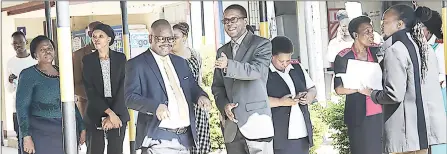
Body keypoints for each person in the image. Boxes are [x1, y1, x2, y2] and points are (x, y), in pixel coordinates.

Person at [360, 4, 447, 154]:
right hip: (424, 130)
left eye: (385, 21)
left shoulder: (395, 50)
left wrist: (371, 93)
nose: (381, 26)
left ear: (399, 24)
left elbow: (394, 94)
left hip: (404, 133)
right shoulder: (425, 48)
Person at [125, 19, 211, 154]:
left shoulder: (181, 62)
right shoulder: (137, 64)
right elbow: (130, 98)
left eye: (170, 39)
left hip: (186, 137)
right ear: (150, 38)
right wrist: (155, 107)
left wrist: (201, 96)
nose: (167, 43)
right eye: (161, 39)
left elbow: (192, 87)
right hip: (158, 138)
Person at [212, 4, 274, 154]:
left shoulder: (261, 44)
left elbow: (256, 71)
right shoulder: (222, 51)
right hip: (232, 126)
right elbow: (217, 86)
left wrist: (229, 65)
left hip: (256, 122)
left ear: (245, 21)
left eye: (233, 19)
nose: (229, 24)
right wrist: (224, 105)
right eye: (225, 21)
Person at [16, 35, 86, 154]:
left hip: (65, 129)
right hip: (40, 131)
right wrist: (26, 136)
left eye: (49, 48)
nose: (47, 52)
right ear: (34, 54)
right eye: (42, 49)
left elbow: (70, 103)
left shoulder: (63, 73)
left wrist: (81, 126)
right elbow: (21, 107)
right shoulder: (28, 75)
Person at [333, 16, 383, 154]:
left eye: (372, 31)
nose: (371, 35)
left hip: (381, 110)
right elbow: (338, 89)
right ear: (355, 35)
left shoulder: (378, 51)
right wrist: (359, 89)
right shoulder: (344, 57)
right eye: (366, 32)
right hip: (358, 114)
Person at [82, 23, 129, 154]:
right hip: (96, 110)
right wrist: (110, 113)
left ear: (109, 39)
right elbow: (90, 90)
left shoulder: (120, 58)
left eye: (101, 36)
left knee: (116, 150)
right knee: (94, 150)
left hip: (118, 110)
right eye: (94, 36)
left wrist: (115, 114)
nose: (96, 39)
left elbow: (124, 86)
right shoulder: (88, 60)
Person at [266, 36, 316, 154]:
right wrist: (280, 102)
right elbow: (258, 100)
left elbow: (312, 88)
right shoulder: (265, 73)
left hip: (301, 131)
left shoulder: (297, 68)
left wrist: (309, 96)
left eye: (287, 60)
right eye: (281, 61)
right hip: (279, 134)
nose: (284, 64)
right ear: (272, 56)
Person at [171, 22, 211, 154]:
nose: (172, 40)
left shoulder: (194, 54)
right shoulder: (169, 58)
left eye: (175, 37)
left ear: (184, 37)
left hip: (197, 104)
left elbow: (198, 79)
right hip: (181, 104)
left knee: (201, 142)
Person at [415, 6, 447, 154]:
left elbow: (443, 75)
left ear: (427, 29)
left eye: (419, 27)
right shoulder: (420, 46)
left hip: (439, 97)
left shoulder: (440, 48)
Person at [6, 31, 37, 154]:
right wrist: (10, 81)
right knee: (21, 140)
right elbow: (9, 89)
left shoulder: (34, 60)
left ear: (26, 42)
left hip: (35, 107)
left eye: (20, 42)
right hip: (18, 108)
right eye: (15, 43)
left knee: (35, 139)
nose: (18, 45)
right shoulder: (10, 63)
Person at [73, 21, 103, 118]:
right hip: (87, 106)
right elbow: (75, 84)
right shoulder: (78, 55)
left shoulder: (111, 54)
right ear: (90, 34)